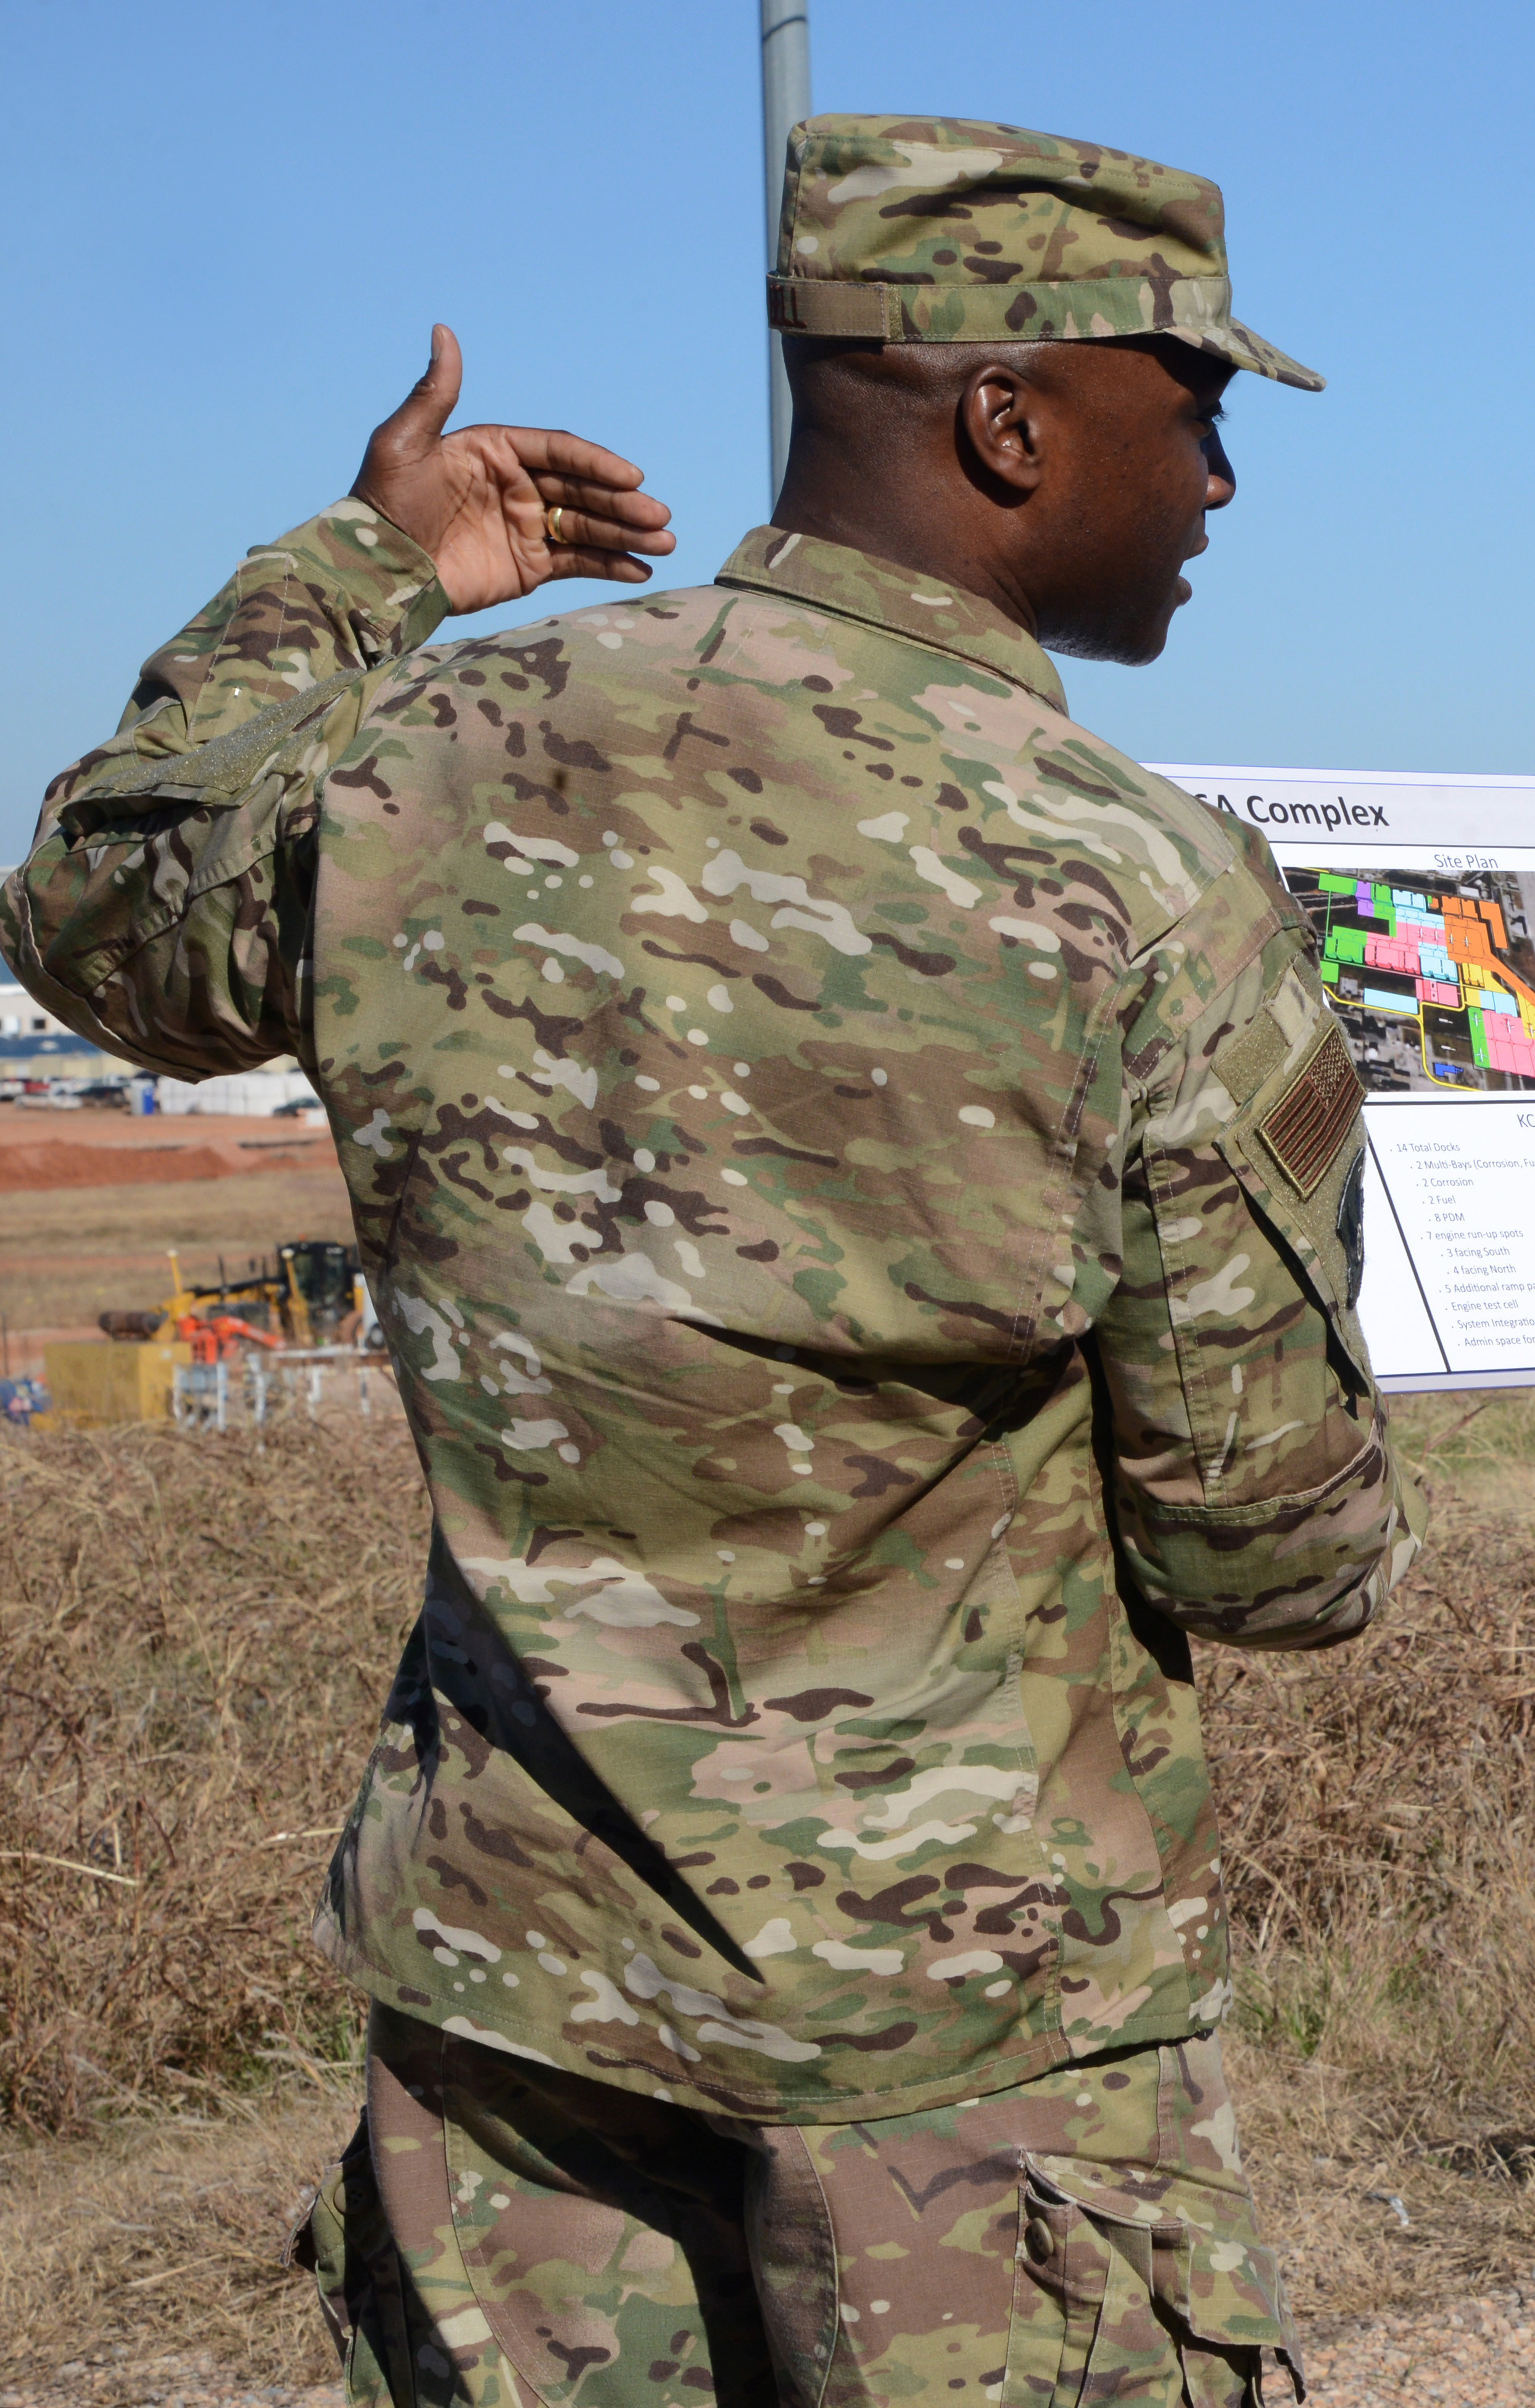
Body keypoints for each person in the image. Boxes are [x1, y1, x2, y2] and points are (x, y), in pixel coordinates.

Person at [0, 117, 1412, 2408]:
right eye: (1202, 405)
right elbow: (1273, 1553)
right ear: (1010, 419)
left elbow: (97, 909)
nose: (1228, 478)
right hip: (961, 2047)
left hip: (516, 2008)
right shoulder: (1131, 881)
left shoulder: (424, 765)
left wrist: (364, 569)